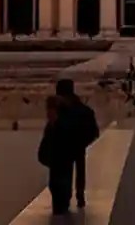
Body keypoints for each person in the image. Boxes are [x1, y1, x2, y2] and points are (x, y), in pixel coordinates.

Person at [56, 78, 99, 208]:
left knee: (66, 172)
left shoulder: (61, 111)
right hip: (78, 146)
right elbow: (94, 132)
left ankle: (68, 197)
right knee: (79, 171)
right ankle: (79, 195)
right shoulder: (84, 110)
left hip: (68, 146)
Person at [38, 96, 79, 215]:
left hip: (61, 163)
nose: (47, 113)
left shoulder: (61, 126)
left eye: (49, 110)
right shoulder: (52, 126)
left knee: (60, 187)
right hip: (56, 163)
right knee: (56, 187)